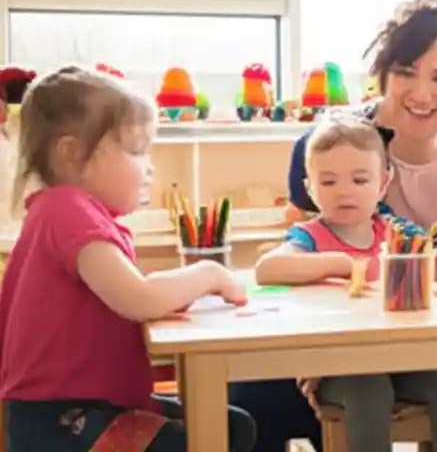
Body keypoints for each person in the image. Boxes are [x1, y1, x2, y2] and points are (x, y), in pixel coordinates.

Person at [231, 0, 437, 452]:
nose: (421, 94)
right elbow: (292, 258)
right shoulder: (332, 143)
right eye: (405, 73)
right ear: (382, 75)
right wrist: (342, 267)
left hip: (430, 347)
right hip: (335, 349)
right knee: (246, 400)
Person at [0, 66, 256, 451]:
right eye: (137, 150)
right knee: (206, 437)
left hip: (90, 409)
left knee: (231, 427)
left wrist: (178, 290)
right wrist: (209, 272)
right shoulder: (68, 210)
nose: (150, 167)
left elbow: (127, 293)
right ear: (71, 154)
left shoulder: (71, 213)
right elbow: (137, 297)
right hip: (61, 421)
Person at [256, 116, 437, 452]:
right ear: (310, 188)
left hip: (400, 358)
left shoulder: (396, 232)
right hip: (333, 367)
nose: (344, 191)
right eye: (328, 182)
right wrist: (342, 264)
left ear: (383, 184)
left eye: (359, 180)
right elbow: (267, 269)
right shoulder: (310, 236)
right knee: (371, 392)